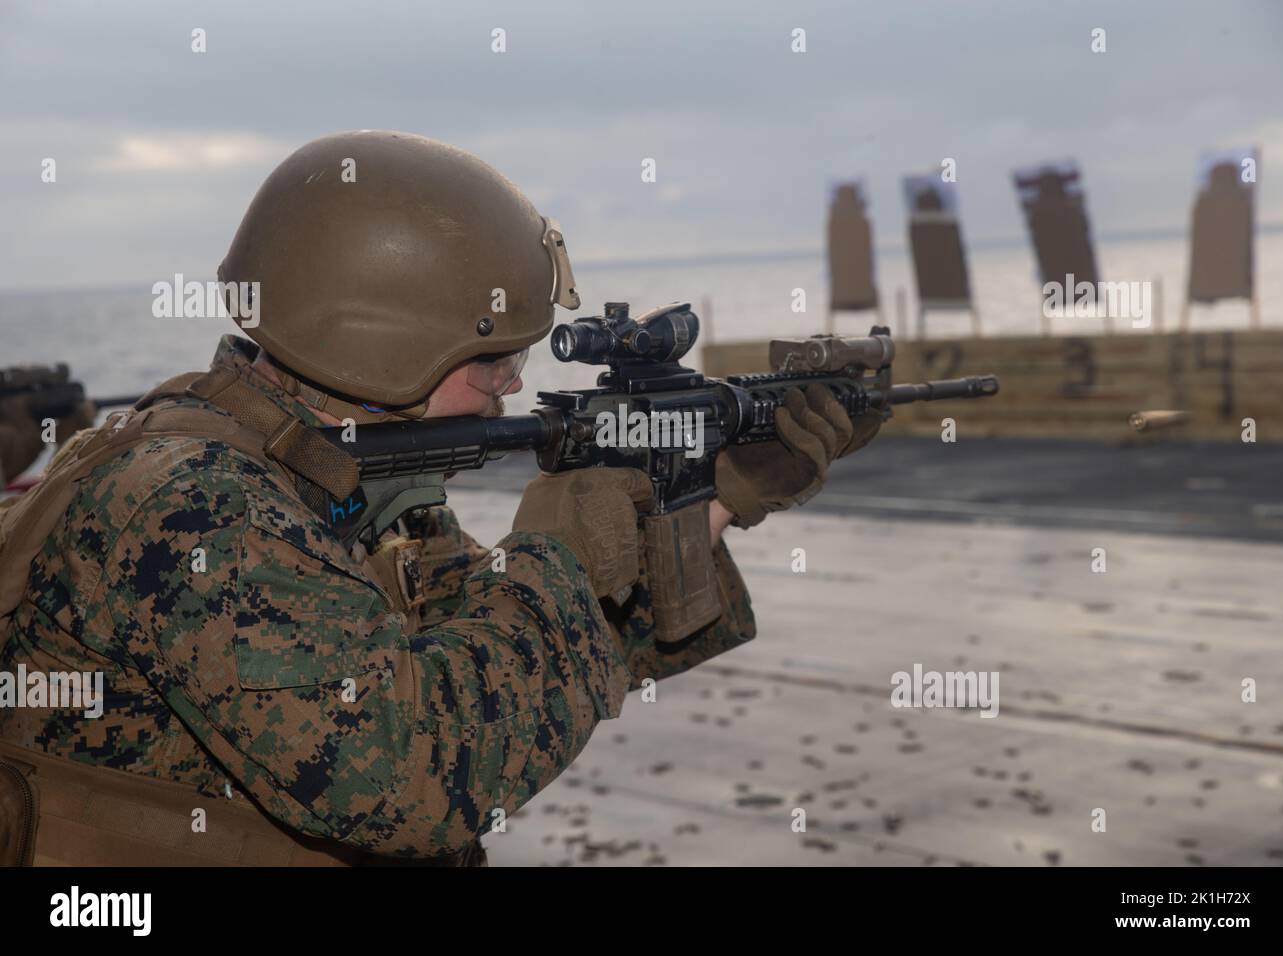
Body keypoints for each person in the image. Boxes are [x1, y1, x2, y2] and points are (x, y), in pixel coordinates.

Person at [0, 131, 881, 866]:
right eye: (492, 357)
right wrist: (562, 553)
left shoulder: (345, 477)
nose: (511, 385)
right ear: (386, 349)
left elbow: (500, 673)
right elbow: (408, 779)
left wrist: (707, 500)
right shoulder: (193, 507)